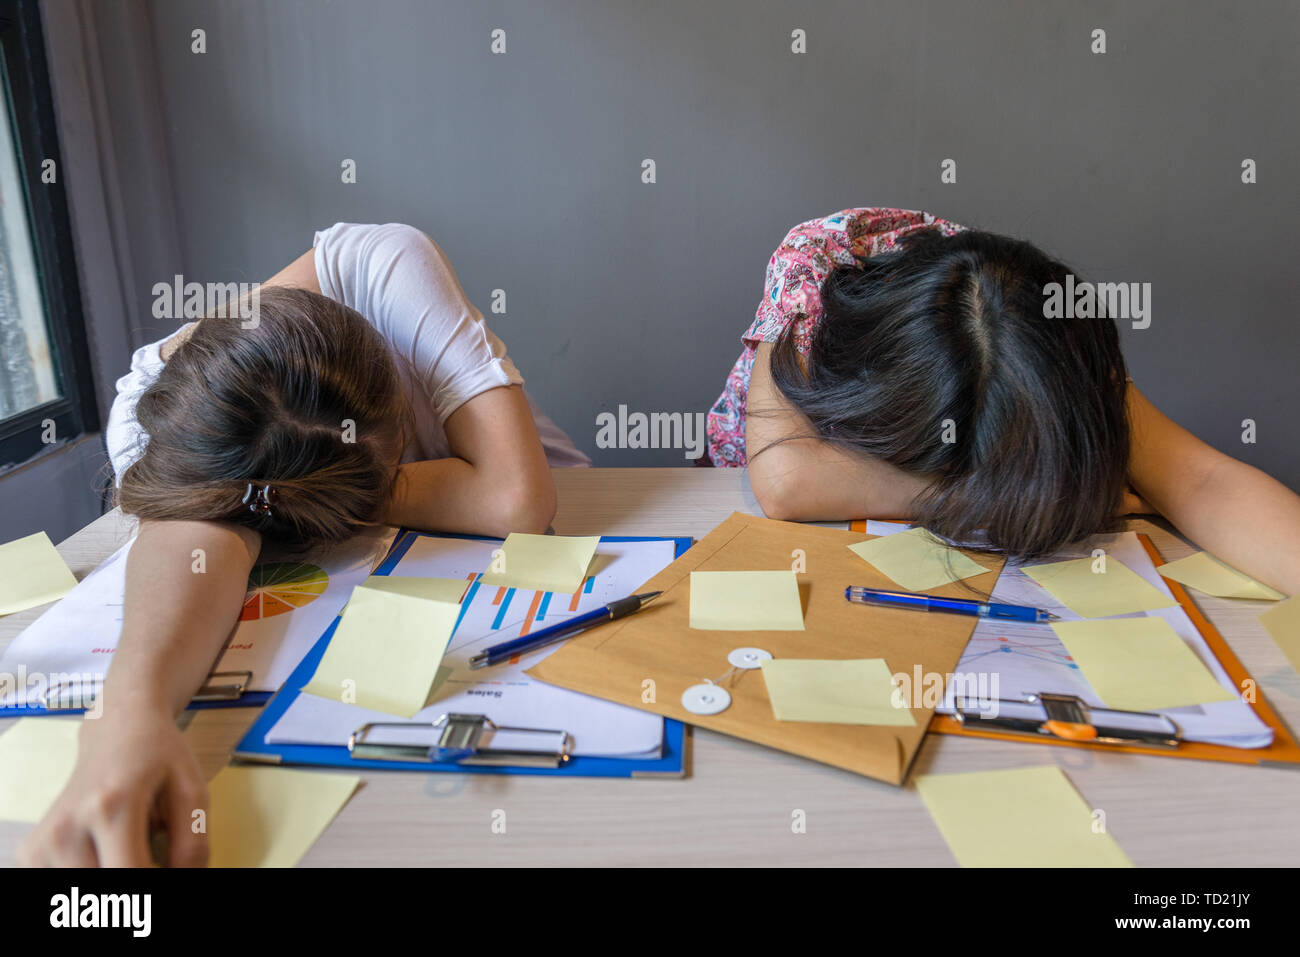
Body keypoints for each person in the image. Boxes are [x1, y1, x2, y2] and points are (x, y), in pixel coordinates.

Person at [18, 222, 588, 866]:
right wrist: (127, 716)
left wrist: (291, 501)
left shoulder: (379, 263)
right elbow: (195, 547)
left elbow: (514, 500)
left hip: (580, 527)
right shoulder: (144, 431)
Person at [708, 207, 1300, 590]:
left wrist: (1023, 489)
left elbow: (1204, 482)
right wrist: (1015, 494)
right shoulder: (822, 266)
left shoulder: (1035, 332)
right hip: (742, 534)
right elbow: (787, 482)